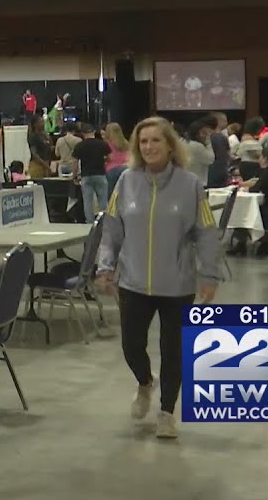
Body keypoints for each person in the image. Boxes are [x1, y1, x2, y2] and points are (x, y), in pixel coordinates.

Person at [95, 117, 220, 439]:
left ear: (169, 144)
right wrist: (105, 267)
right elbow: (111, 230)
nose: (149, 147)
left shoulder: (190, 184)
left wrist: (209, 273)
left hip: (177, 284)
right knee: (131, 346)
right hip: (133, 283)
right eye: (143, 141)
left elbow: (206, 232)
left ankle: (167, 412)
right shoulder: (125, 181)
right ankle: (144, 382)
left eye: (155, 141)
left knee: (174, 351)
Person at [73, 125, 111, 220]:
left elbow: (74, 162)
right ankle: (104, 221)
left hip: (86, 176)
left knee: (88, 202)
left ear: (83, 133)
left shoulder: (79, 145)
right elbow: (110, 158)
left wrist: (75, 175)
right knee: (103, 201)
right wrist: (104, 161)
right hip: (100, 174)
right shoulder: (102, 144)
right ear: (94, 132)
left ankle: (90, 223)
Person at [183, 117, 216, 181]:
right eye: (205, 133)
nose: (207, 135)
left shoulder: (184, 142)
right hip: (197, 180)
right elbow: (210, 159)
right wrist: (209, 142)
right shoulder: (198, 146)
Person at [208, 112, 231, 188]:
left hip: (210, 171)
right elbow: (228, 154)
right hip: (221, 170)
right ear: (218, 121)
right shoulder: (222, 137)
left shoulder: (207, 137)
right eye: (225, 121)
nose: (227, 123)